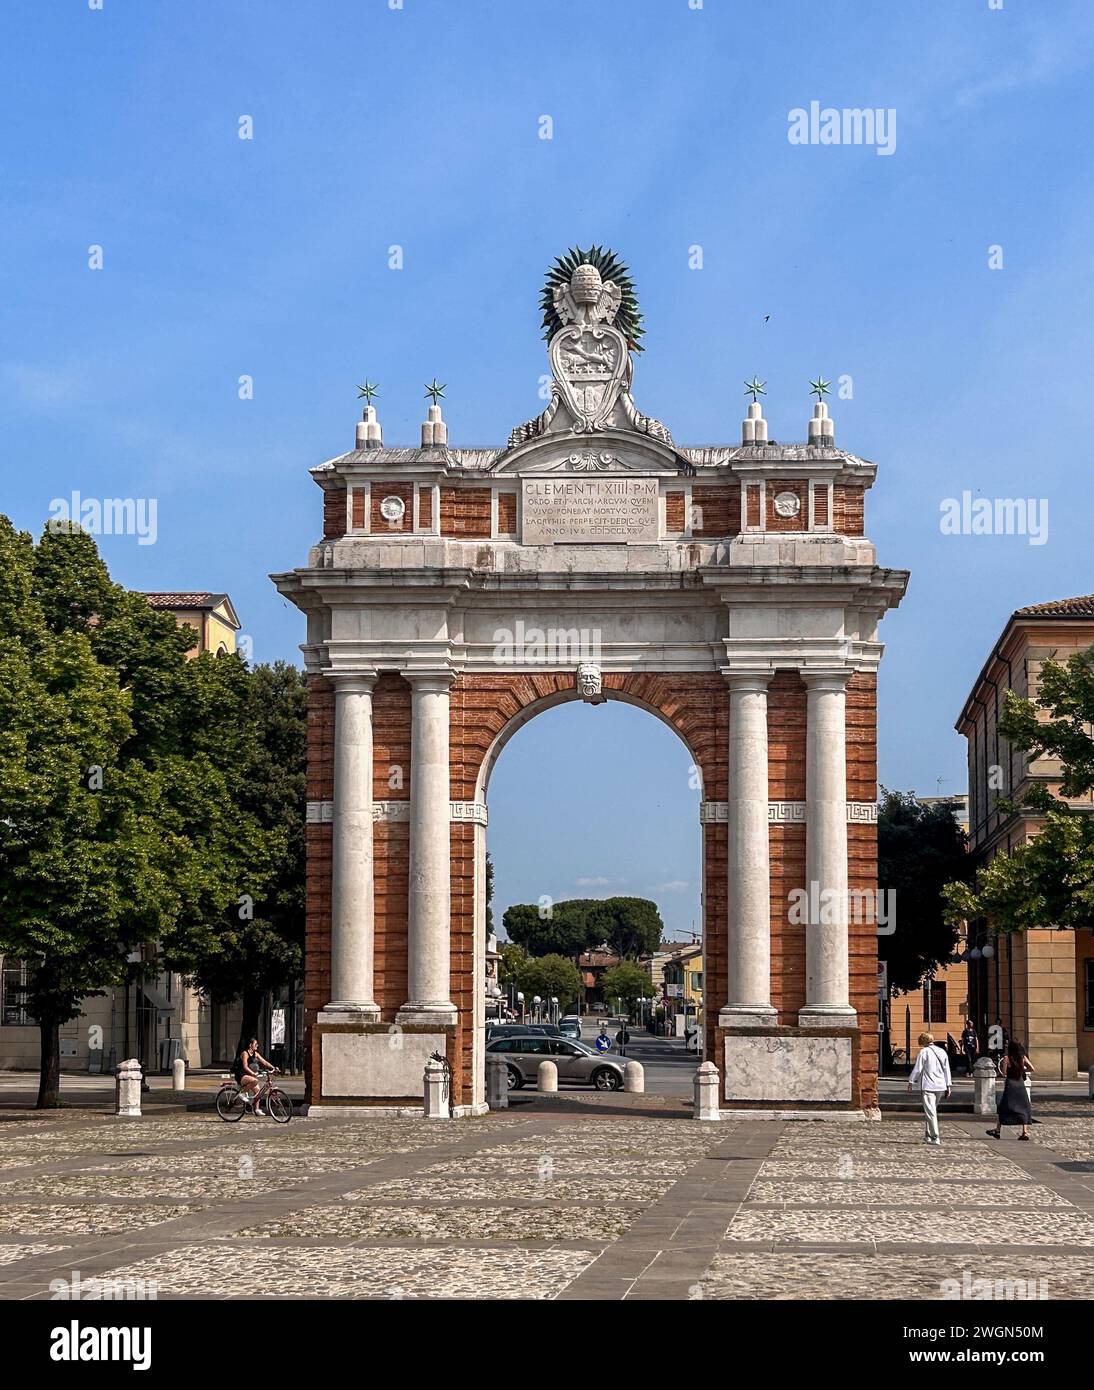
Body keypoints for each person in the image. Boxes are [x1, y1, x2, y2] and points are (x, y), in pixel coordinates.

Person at [907, 1030, 952, 1146]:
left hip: (928, 1085)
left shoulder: (924, 1052)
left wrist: (911, 1081)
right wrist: (948, 1085)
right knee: (931, 1111)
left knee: (930, 1112)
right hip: (940, 1085)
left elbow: (918, 1068)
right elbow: (947, 1069)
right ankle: (928, 1135)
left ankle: (935, 1136)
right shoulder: (942, 1052)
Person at [987, 1039, 1032, 1140]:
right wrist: (1022, 1070)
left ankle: (998, 1130)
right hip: (1020, 1083)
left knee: (1003, 1106)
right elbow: (1032, 1068)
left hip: (1010, 1084)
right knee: (1024, 1107)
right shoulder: (1022, 1058)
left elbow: (1004, 1072)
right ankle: (1025, 1132)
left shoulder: (1006, 1058)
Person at [234, 1037, 276, 1115]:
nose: (257, 1045)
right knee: (255, 1081)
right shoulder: (245, 1053)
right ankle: (242, 1093)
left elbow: (264, 1062)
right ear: (250, 1045)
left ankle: (256, 1109)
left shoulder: (255, 1053)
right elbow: (245, 1067)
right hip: (242, 1075)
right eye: (255, 1044)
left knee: (258, 1091)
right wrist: (253, 1073)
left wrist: (273, 1067)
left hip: (249, 1076)